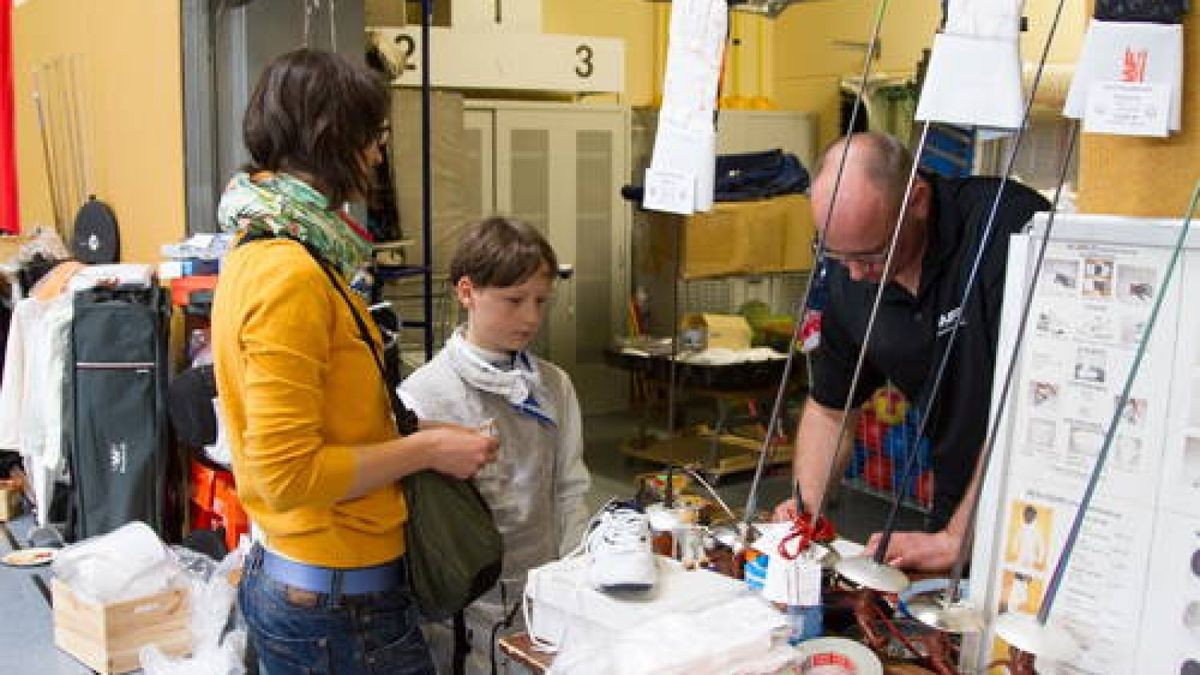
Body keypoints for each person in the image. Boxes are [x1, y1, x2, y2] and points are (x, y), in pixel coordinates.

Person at [211, 49, 498, 675]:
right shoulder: (288, 272)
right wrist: (424, 454)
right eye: (373, 137)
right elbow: (285, 475)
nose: (377, 155)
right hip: (338, 609)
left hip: (323, 590)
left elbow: (327, 424)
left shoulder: (275, 250)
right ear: (334, 138)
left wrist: (423, 433)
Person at [774, 132, 1049, 572]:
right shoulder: (851, 278)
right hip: (956, 503)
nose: (859, 273)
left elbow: (1033, 402)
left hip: (1036, 513)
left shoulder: (1006, 228)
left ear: (916, 199)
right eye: (838, 255)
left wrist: (962, 538)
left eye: (873, 254)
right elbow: (831, 407)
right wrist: (805, 508)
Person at [399, 216, 591, 674]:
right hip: (465, 611)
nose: (530, 317)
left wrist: (570, 584)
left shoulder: (553, 385)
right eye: (513, 301)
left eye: (540, 302)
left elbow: (570, 488)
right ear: (467, 292)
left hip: (543, 594)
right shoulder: (423, 396)